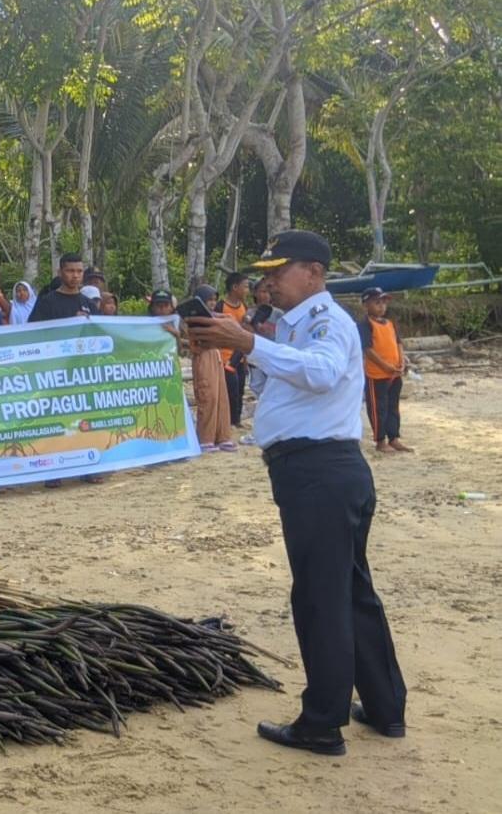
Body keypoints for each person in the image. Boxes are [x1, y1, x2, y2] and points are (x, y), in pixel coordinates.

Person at [188, 229, 405, 755]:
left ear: (313, 272)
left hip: (319, 472)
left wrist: (249, 343)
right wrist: (239, 348)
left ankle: (322, 721)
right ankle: (383, 706)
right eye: (264, 275)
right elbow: (284, 386)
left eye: (277, 273)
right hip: (322, 472)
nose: (268, 285)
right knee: (350, 590)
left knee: (319, 596)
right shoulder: (291, 325)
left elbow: (325, 373)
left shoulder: (326, 320)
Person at [359, 287, 412, 454]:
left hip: (394, 373)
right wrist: (384, 365)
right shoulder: (365, 324)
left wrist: (401, 360)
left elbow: (398, 343)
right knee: (378, 407)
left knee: (393, 406)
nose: (381, 306)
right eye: (377, 303)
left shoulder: (389, 323)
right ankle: (380, 440)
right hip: (377, 374)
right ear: (366, 305)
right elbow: (368, 349)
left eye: (383, 303)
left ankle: (394, 437)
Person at [188, 285, 235, 452]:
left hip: (216, 354)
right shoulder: (193, 319)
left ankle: (223, 436)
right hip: (203, 355)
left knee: (222, 397)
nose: (213, 303)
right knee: (208, 396)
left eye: (215, 300)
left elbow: (227, 319)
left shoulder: (216, 317)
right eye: (209, 300)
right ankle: (205, 438)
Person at [215, 273, 251, 428]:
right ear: (234, 287)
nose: (247, 290)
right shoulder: (221, 306)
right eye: (245, 286)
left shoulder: (244, 306)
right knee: (231, 389)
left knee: (241, 388)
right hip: (225, 356)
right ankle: (228, 421)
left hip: (240, 355)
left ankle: (236, 420)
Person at [30, 254, 96, 322]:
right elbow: (34, 328)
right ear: (60, 273)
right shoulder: (47, 302)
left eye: (79, 271)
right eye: (70, 271)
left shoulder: (89, 304)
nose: (75, 275)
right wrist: (73, 321)